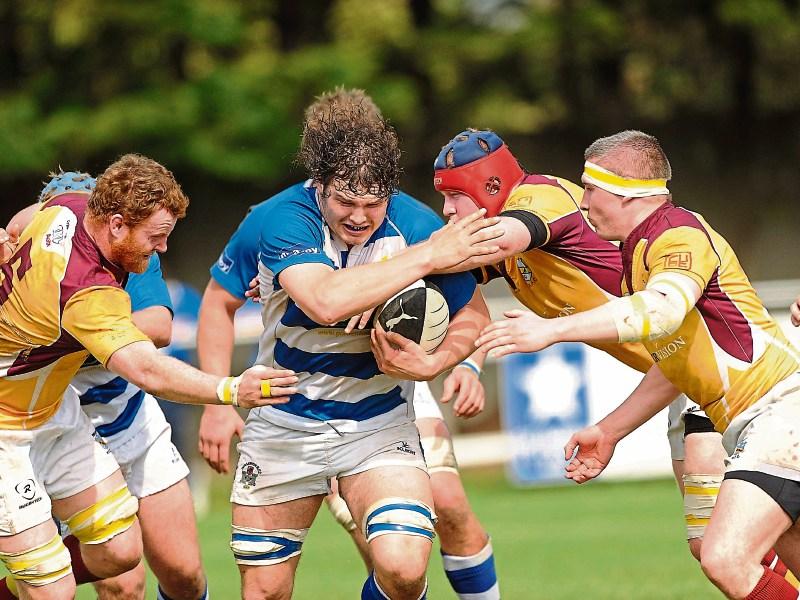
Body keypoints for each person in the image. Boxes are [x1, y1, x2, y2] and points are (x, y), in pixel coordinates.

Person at [196, 89, 500, 600]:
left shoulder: (415, 223)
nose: (360, 217)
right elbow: (323, 302)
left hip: (378, 417)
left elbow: (474, 312)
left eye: (373, 203)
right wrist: (216, 400)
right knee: (265, 591)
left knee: (405, 565)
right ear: (319, 184)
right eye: (345, 202)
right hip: (285, 419)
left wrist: (442, 361)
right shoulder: (280, 219)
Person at [476, 129, 800, 599]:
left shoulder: (678, 233)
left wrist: (551, 330)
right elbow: (675, 364)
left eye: (590, 189)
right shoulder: (638, 253)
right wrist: (609, 431)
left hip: (780, 414)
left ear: (627, 192)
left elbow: (663, 308)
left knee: (724, 556)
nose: (582, 201)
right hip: (760, 422)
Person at [429, 128, 734, 565]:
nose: (447, 210)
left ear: (491, 186)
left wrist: (407, 257)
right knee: (716, 547)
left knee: (728, 546)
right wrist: (469, 363)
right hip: (678, 375)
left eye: (455, 196)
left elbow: (490, 243)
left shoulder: (539, 202)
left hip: (718, 361)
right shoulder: (507, 245)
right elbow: (455, 289)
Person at [0, 156, 297, 599]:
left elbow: (22, 221)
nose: (162, 250)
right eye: (156, 238)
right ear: (117, 224)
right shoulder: (85, 291)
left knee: (120, 553)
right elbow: (146, 368)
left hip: (54, 411)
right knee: (54, 587)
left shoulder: (70, 204)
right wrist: (233, 388)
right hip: (6, 429)